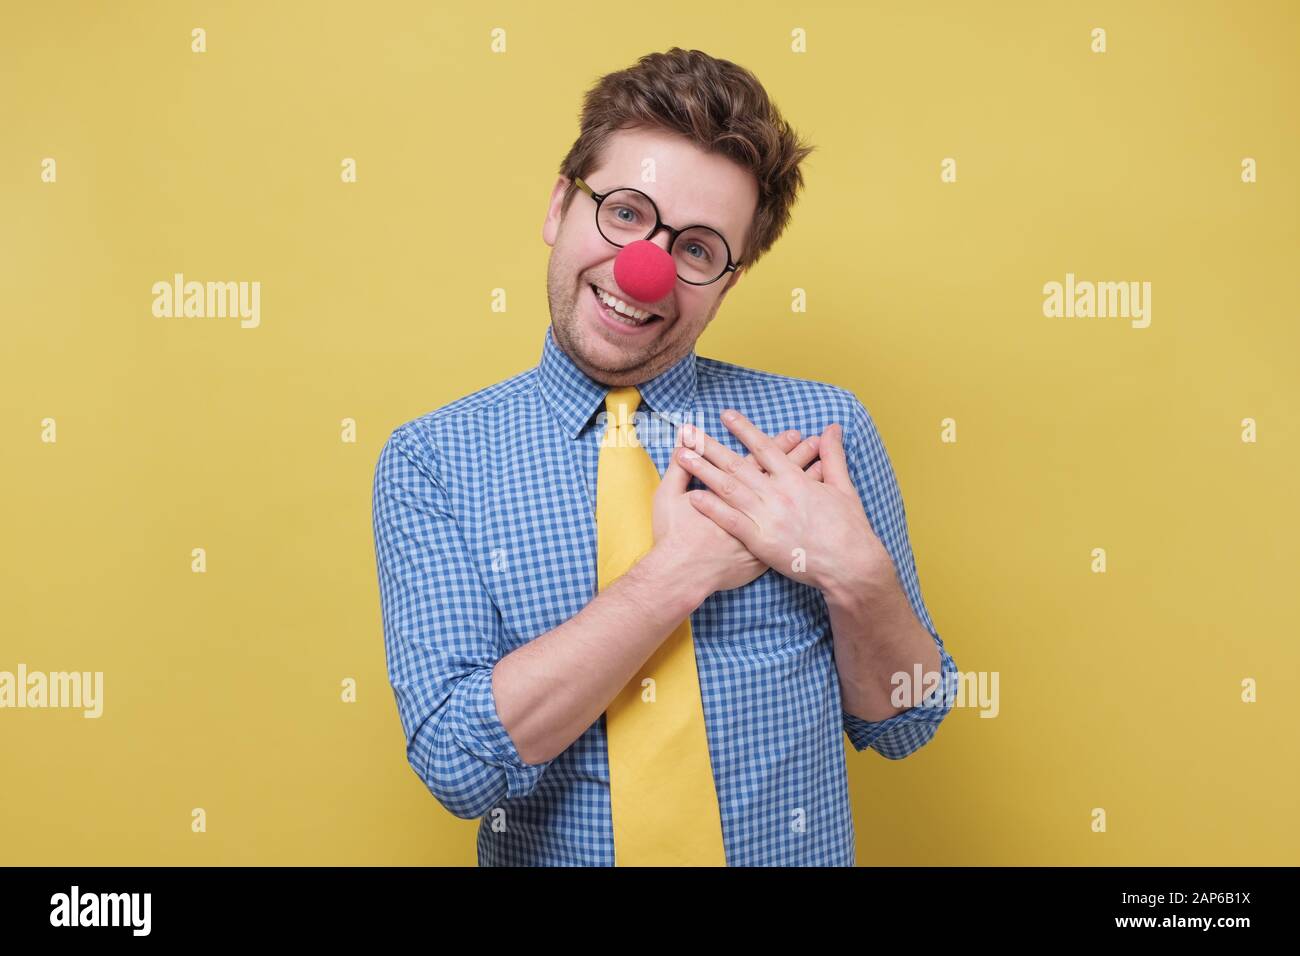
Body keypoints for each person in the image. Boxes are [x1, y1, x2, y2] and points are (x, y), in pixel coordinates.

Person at [372, 48, 958, 866]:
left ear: (730, 278)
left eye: (696, 248)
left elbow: (904, 723)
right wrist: (676, 574)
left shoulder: (818, 430)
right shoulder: (435, 459)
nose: (642, 270)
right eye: (624, 212)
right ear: (559, 207)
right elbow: (455, 768)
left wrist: (856, 574)